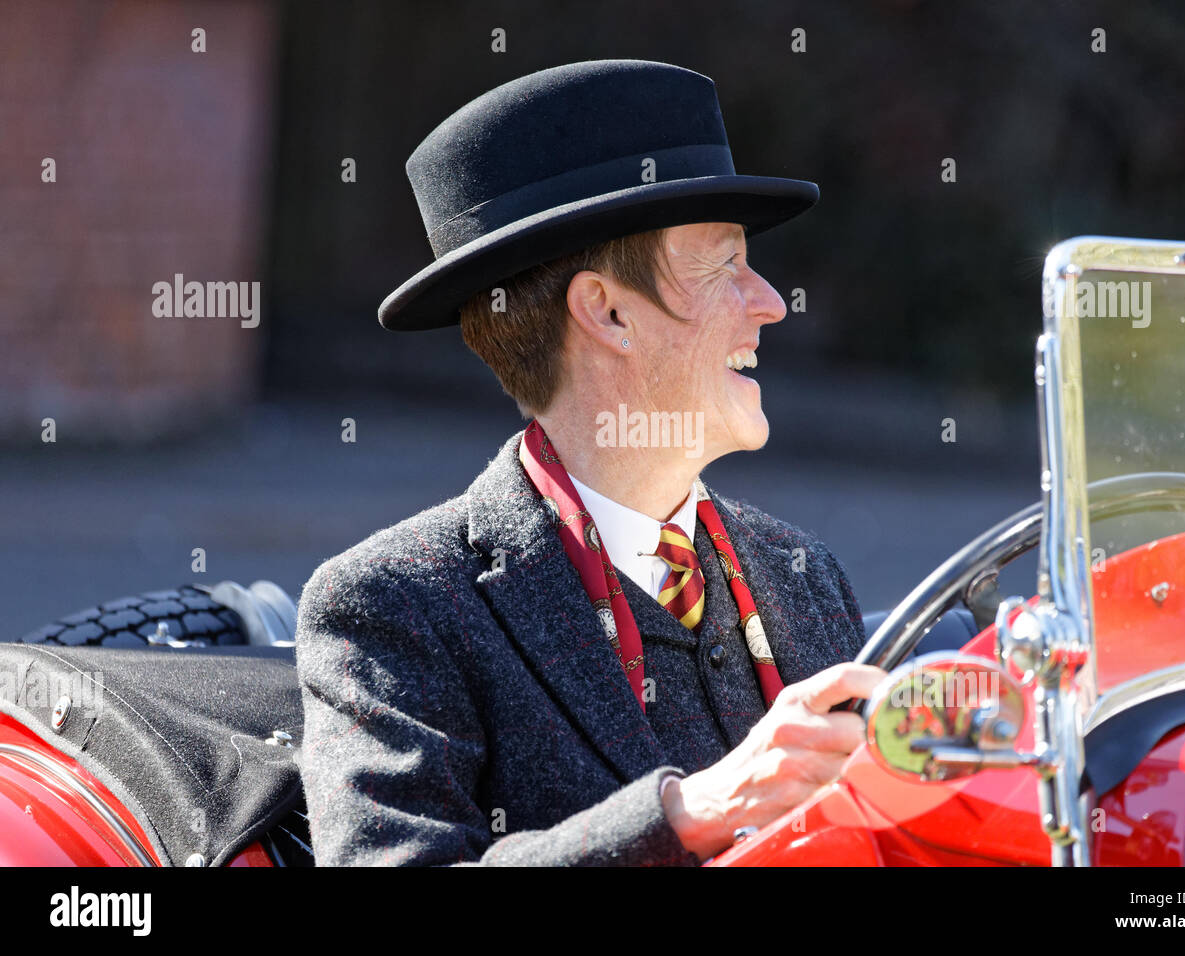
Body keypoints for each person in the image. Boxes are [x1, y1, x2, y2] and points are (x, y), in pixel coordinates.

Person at [295, 59, 886, 866]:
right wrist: (686, 813)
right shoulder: (396, 605)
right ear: (607, 311)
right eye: (723, 265)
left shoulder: (804, 575)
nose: (772, 303)